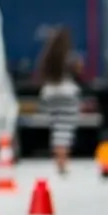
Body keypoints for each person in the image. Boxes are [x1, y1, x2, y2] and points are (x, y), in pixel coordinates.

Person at [35, 26, 83, 177]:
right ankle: (63, 161)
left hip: (51, 93)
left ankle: (59, 161)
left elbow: (42, 73)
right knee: (66, 130)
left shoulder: (48, 56)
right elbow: (79, 72)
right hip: (68, 94)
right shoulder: (69, 57)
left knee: (57, 129)